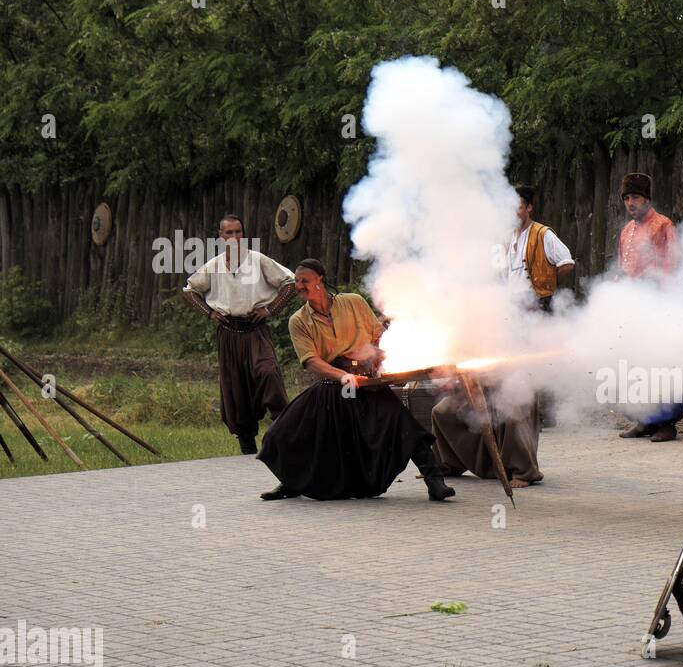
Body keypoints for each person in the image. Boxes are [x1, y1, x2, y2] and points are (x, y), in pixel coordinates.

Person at [256, 259, 455, 502]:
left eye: (304, 281)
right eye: (296, 281)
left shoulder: (353, 302)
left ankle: (435, 481)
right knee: (284, 433)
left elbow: (379, 336)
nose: (298, 286)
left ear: (320, 279)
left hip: (368, 383)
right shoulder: (298, 320)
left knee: (403, 426)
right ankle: (292, 482)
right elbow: (311, 361)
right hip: (332, 386)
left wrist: (386, 362)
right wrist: (344, 376)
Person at [182, 214, 297, 454]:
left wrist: (271, 309)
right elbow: (190, 290)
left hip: (255, 330)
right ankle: (247, 448)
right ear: (220, 237)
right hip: (228, 334)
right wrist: (209, 312)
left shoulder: (257, 260)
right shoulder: (213, 266)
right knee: (235, 389)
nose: (234, 237)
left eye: (238, 232)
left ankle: (283, 433)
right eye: (229, 233)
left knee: (268, 373)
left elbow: (290, 283)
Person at [615, 173, 683, 442]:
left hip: (659, 303)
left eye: (635, 197)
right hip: (633, 306)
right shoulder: (626, 232)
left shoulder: (663, 225)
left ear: (647, 199)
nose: (630, 203)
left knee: (662, 364)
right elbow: (624, 267)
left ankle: (667, 423)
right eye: (626, 198)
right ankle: (643, 418)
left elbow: (674, 266)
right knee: (635, 364)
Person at [430, 379, 544, 489]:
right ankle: (448, 464)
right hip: (478, 384)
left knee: (512, 414)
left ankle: (523, 472)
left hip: (513, 384)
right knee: (441, 411)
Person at [508, 184, 575, 312]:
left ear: (529, 208)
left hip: (536, 305)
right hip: (513, 306)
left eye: (518, 207)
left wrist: (546, 287)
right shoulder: (509, 237)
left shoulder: (543, 233)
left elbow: (567, 264)